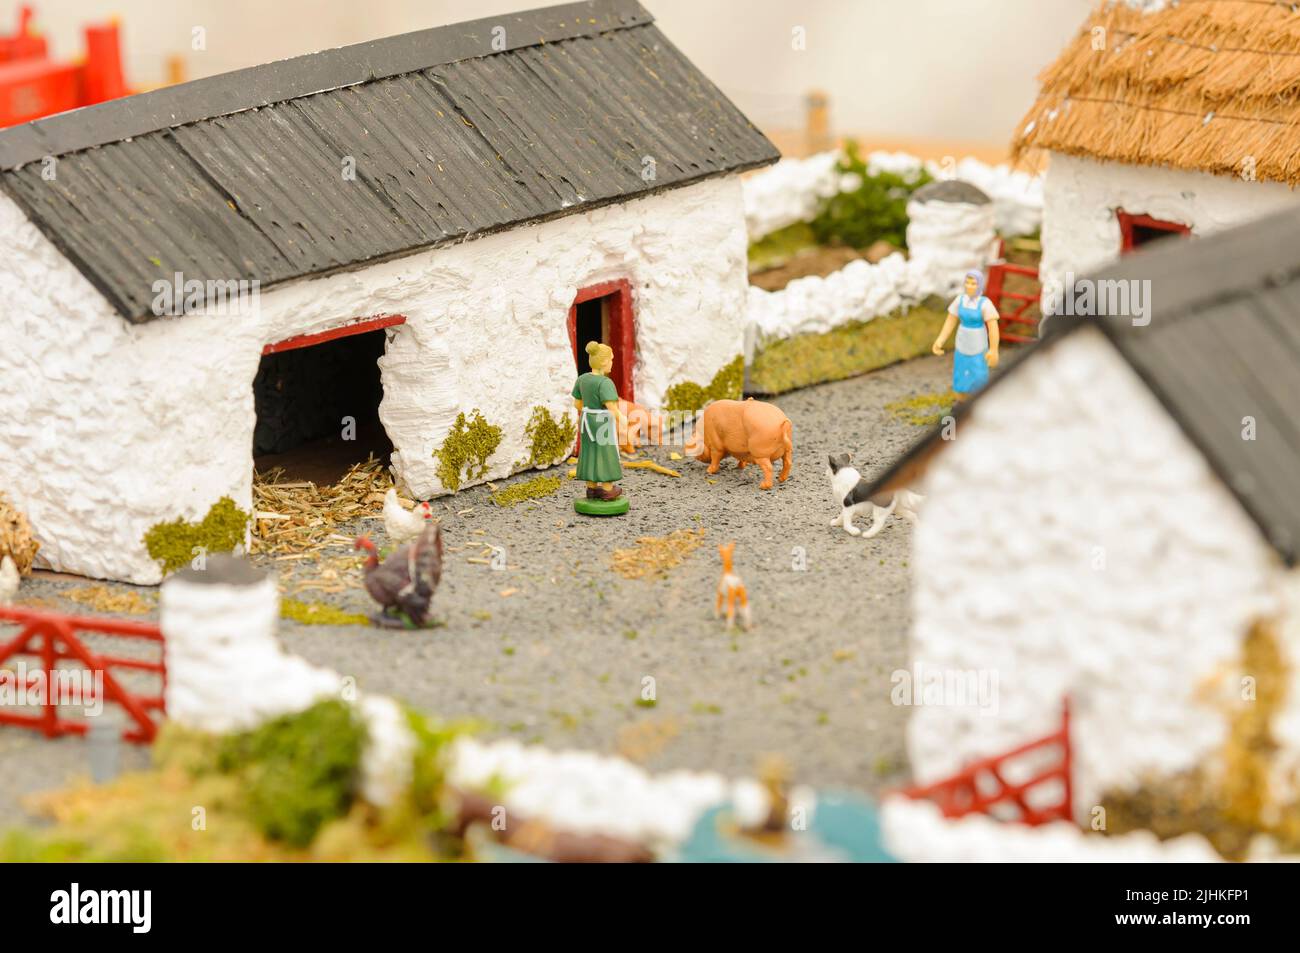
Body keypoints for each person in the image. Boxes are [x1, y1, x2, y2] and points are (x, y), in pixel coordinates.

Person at [931, 269, 1000, 399]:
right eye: (967, 283)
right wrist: (940, 340)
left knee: (978, 370)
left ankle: (979, 397)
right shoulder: (959, 300)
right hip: (962, 339)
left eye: (973, 283)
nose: (969, 286)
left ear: (979, 285)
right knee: (961, 370)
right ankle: (961, 397)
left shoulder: (985, 304)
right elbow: (950, 321)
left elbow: (993, 328)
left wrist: (994, 349)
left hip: (978, 341)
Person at [571, 341, 625, 501]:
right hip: (601, 421)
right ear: (603, 362)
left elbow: (577, 403)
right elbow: (611, 406)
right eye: (611, 359)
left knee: (589, 451)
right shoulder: (605, 383)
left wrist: (588, 411)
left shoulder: (582, 379)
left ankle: (592, 488)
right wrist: (622, 418)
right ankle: (608, 489)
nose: (612, 363)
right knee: (606, 451)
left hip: (586, 420)